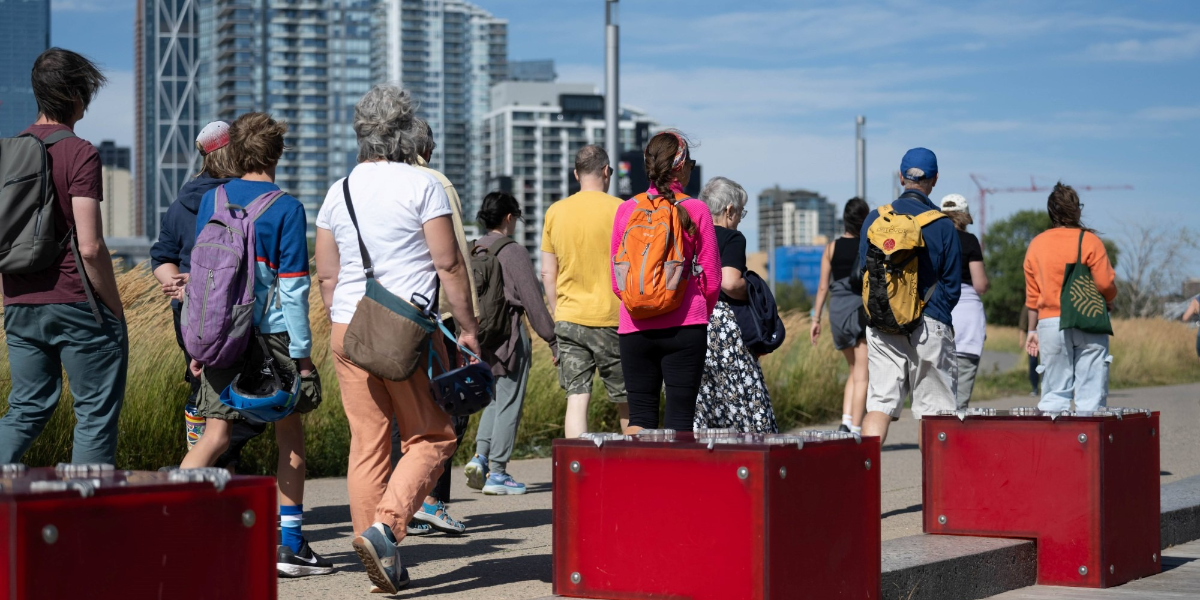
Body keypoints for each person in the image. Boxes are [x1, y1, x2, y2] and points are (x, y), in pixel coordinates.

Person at [314, 84, 477, 594]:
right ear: (406, 130)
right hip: (403, 329)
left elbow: (326, 274)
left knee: (367, 445)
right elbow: (448, 262)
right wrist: (468, 326)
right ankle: (386, 530)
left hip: (347, 327)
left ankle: (378, 553)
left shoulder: (336, 190)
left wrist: (343, 320)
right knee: (434, 436)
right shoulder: (421, 185)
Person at [176, 112, 332, 577]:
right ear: (277, 153)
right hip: (273, 338)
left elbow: (202, 277)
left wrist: (199, 346)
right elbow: (293, 290)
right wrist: (302, 356)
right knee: (290, 436)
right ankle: (290, 546)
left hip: (222, 332)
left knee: (214, 435)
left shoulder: (214, 199)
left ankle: (173, 528)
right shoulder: (286, 208)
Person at [0, 48, 127, 465]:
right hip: (76, 302)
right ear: (76, 94)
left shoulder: (7, 153)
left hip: (18, 302)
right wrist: (114, 307)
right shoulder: (80, 152)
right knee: (92, 414)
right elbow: (90, 246)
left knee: (25, 409)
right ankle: (86, 523)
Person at [149, 121, 266, 467]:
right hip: (233, 311)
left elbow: (161, 256)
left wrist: (180, 285)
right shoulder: (239, 196)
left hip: (188, 312)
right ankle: (207, 466)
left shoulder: (182, 200)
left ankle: (205, 465)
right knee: (253, 399)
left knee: (204, 390)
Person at [393, 117, 474, 535]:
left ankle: (396, 507)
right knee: (446, 408)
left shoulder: (376, 181)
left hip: (380, 314)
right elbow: (453, 257)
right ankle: (433, 502)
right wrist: (468, 323)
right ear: (429, 147)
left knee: (393, 415)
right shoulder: (434, 183)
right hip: (433, 315)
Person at [610, 131, 720, 433]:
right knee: (680, 418)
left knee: (640, 417)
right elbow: (711, 280)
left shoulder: (625, 210)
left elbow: (616, 282)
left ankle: (638, 480)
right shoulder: (696, 210)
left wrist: (642, 302)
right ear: (680, 165)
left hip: (634, 327)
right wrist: (699, 315)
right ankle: (676, 481)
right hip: (685, 326)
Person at [858, 148, 961, 447]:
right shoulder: (942, 224)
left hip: (883, 322)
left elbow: (861, 272)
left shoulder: (874, 219)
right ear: (935, 180)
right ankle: (936, 491)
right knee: (935, 413)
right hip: (930, 324)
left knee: (879, 405)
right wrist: (931, 311)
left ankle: (864, 486)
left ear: (901, 177)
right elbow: (952, 285)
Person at [465, 192, 557, 495]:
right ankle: (499, 473)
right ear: (508, 217)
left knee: (492, 399)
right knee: (509, 404)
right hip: (511, 338)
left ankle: (480, 459)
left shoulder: (475, 248)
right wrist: (552, 340)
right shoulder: (512, 251)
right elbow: (533, 301)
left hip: (481, 338)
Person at [539, 144, 629, 440]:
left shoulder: (555, 212)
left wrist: (558, 313)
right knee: (626, 400)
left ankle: (575, 474)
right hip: (613, 319)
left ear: (576, 174)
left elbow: (547, 273)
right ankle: (637, 470)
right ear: (606, 172)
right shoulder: (622, 210)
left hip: (569, 319)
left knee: (577, 399)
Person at [1023, 183, 1117, 412]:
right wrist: (1109, 299)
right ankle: (1089, 445)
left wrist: (1031, 331)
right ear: (1078, 210)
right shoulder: (1090, 241)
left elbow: (1033, 297)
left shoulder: (1036, 245)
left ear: (1051, 212)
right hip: (1088, 320)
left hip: (1050, 324)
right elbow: (1105, 283)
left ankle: (1054, 445)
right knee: (1091, 395)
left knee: (1054, 393)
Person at [694, 177, 777, 433]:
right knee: (744, 394)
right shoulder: (732, 238)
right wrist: (751, 290)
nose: (741, 217)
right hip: (723, 325)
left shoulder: (693, 235)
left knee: (704, 399)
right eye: (741, 211)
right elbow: (730, 282)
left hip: (693, 320)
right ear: (729, 210)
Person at [811, 198, 870, 434]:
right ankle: (856, 429)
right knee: (863, 374)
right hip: (859, 312)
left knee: (853, 369)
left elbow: (823, 287)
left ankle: (846, 422)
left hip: (837, 313)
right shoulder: (867, 247)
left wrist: (816, 319)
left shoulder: (831, 248)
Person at [941, 194, 988, 408]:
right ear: (965, 215)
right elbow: (979, 284)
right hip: (967, 316)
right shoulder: (970, 241)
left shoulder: (934, 238)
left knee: (939, 388)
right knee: (961, 393)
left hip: (940, 312)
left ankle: (934, 436)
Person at [1018, 308, 1040, 395]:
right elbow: (1022, 325)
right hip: (1033, 337)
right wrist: (1021, 339)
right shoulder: (1027, 306)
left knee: (1048, 363)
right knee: (1033, 363)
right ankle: (1034, 387)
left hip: (1045, 335)